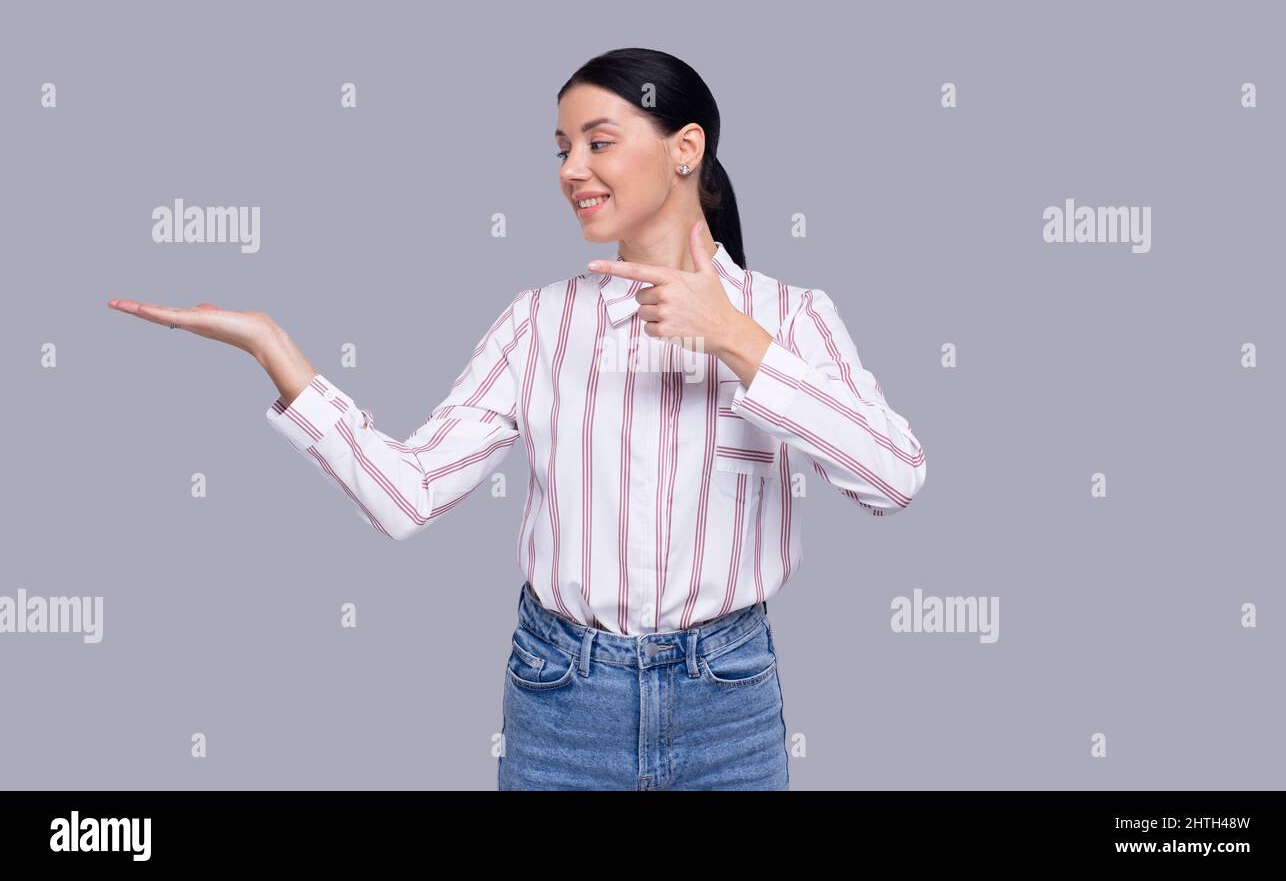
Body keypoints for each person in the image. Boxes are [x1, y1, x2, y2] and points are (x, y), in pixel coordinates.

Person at [107, 47, 927, 790]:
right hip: (562, 698)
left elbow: (894, 480)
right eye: (562, 149)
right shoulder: (539, 324)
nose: (573, 169)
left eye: (598, 142)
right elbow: (408, 496)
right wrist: (275, 349)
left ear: (686, 149)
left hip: (730, 701)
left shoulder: (793, 316)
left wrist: (739, 341)